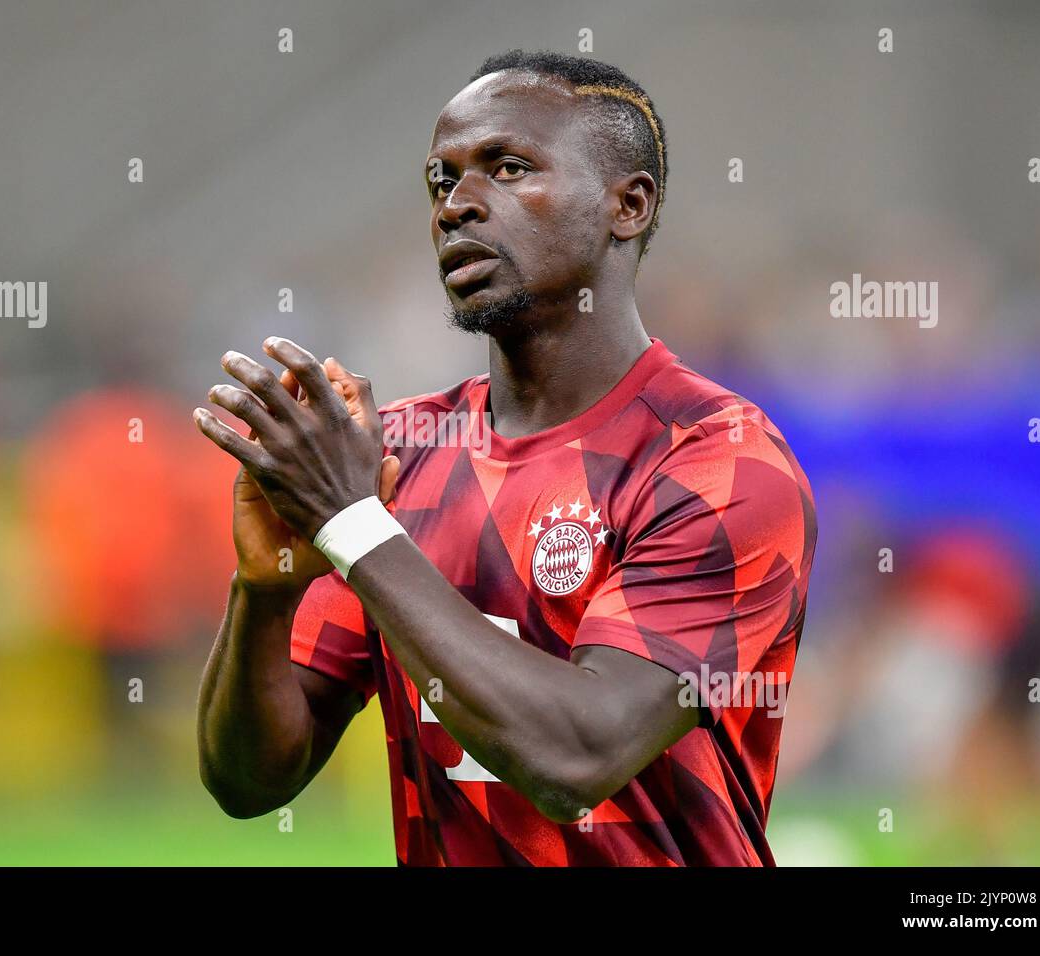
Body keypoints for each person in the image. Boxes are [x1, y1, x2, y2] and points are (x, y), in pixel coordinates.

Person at [194, 50, 816, 866]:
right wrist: (264, 592)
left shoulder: (719, 459)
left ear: (627, 206)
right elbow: (249, 784)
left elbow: (578, 756)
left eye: (508, 168)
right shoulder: (395, 455)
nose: (457, 206)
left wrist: (352, 524)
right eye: (440, 182)